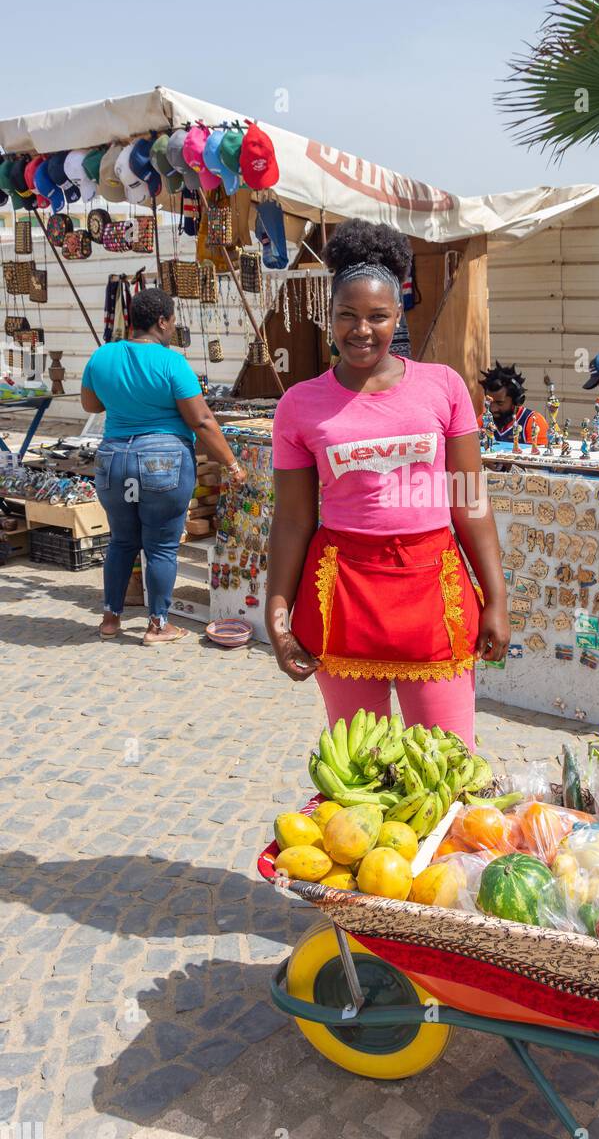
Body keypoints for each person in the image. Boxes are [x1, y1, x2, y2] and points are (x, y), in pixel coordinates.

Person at [266, 219, 508, 749]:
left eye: (377, 316)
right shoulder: (299, 405)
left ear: (398, 313)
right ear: (326, 316)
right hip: (343, 593)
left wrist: (496, 598)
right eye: (346, 315)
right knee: (361, 765)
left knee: (446, 762)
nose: (361, 330)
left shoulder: (443, 387)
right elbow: (292, 521)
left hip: (433, 590)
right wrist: (277, 614)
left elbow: (470, 502)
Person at [81, 287, 246, 645]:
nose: (172, 328)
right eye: (172, 321)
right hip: (163, 459)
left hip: (114, 459)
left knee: (121, 541)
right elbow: (201, 420)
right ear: (161, 321)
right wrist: (232, 464)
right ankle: (157, 626)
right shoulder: (172, 363)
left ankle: (111, 619)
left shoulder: (102, 356)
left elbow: (92, 406)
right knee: (160, 546)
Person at [477, 362, 549, 446]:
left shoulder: (534, 422)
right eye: (489, 402)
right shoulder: (483, 420)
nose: (493, 409)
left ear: (517, 401)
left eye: (500, 403)